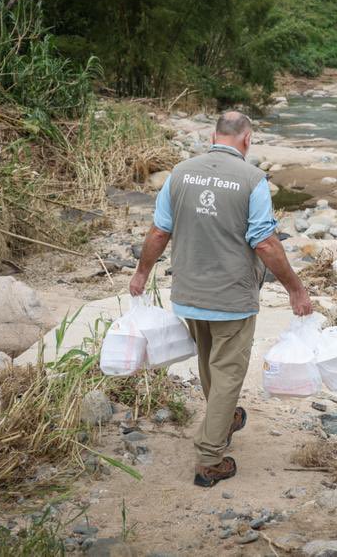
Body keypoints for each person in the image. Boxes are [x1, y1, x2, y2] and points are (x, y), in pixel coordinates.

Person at [129, 110, 312, 487]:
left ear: (213, 137)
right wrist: (295, 288)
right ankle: (210, 459)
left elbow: (159, 232)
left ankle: (224, 419)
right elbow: (264, 242)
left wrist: (142, 272)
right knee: (228, 372)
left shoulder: (180, 173)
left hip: (189, 292)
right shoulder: (252, 179)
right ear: (247, 139)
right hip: (231, 297)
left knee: (211, 363)